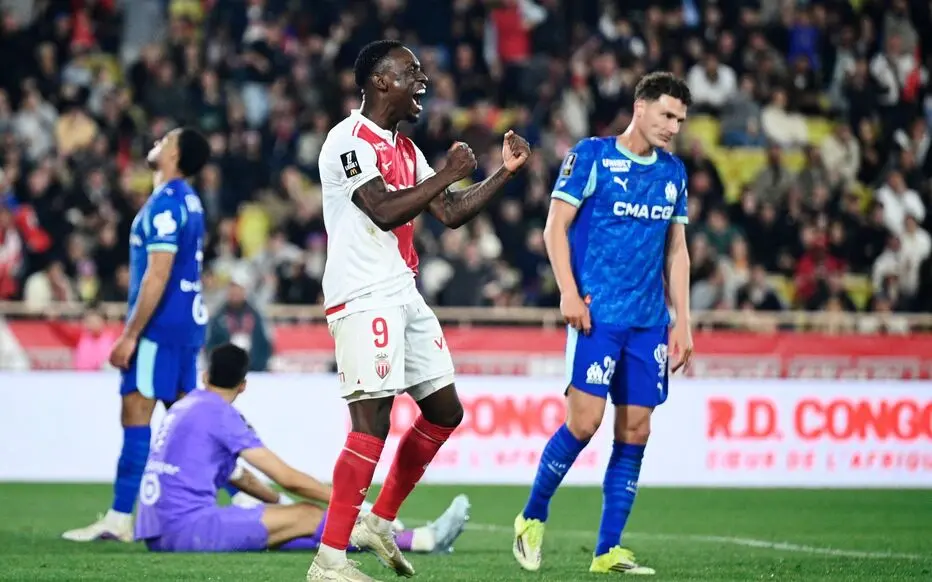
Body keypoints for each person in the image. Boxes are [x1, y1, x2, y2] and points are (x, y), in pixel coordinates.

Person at [308, 39, 530, 582]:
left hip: (403, 292)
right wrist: (448, 171)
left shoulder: (406, 150)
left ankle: (379, 520)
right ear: (381, 81)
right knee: (371, 422)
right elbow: (382, 210)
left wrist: (503, 172)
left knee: (445, 412)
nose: (423, 81)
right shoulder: (348, 140)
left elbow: (449, 211)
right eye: (411, 72)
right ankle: (329, 560)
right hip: (363, 294)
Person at [512, 72, 695, 576]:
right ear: (640, 108)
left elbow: (677, 251)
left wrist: (683, 321)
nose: (673, 127)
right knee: (585, 423)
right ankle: (532, 515)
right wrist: (568, 292)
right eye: (666, 114)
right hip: (597, 316)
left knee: (636, 430)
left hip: (649, 323)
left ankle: (607, 550)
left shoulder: (674, 172)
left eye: (680, 120)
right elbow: (555, 226)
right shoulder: (591, 156)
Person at [135, 343, 471, 555]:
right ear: (244, 385)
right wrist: (357, 505)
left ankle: (407, 540)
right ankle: (420, 541)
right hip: (186, 530)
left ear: (205, 375)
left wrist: (278, 503)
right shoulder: (222, 415)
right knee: (308, 516)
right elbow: (287, 478)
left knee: (293, 523)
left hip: (157, 530)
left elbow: (240, 477)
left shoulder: (187, 406)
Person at [62, 127, 212, 542]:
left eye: (166, 141)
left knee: (136, 412)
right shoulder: (190, 200)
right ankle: (247, 497)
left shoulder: (165, 203)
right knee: (191, 419)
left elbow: (157, 273)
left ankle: (119, 518)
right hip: (185, 322)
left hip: (159, 327)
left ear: (175, 155)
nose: (157, 143)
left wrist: (130, 335)